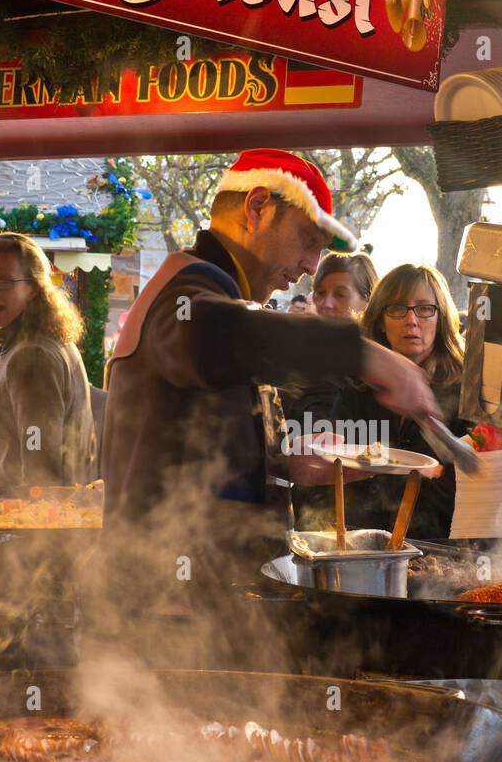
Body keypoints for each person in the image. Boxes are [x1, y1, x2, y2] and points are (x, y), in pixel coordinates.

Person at [100, 149, 437, 558]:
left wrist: (286, 457)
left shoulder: (215, 292)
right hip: (168, 592)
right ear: (257, 206)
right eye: (307, 241)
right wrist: (364, 354)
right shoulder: (186, 292)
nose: (312, 266)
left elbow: (200, 446)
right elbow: (222, 333)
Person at [300, 263, 466, 540]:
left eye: (425, 309)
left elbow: (466, 486)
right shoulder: (358, 388)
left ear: (442, 318)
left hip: (435, 549)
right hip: (360, 539)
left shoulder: (465, 392)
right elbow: (336, 467)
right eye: (397, 309)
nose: (411, 320)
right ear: (380, 320)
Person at [0, 233, 95, 486]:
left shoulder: (32, 356)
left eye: (4, 282)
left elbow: (39, 464)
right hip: (37, 514)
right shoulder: (46, 340)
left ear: (32, 287)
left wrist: (29, 522)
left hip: (24, 518)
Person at [284, 250, 380, 427]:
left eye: (340, 295)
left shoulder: (379, 374)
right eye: (320, 293)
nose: (326, 304)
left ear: (369, 300)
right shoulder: (300, 359)